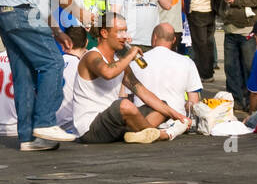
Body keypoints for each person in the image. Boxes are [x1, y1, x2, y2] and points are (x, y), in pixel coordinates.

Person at [0, 0, 104, 151]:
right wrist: (83, 15)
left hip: (4, 9)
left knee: (24, 74)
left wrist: (55, 31)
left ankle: (28, 139)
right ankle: (45, 123)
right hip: (24, 10)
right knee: (53, 63)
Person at [72, 16, 189, 144]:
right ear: (104, 33)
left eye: (126, 31)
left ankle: (139, 133)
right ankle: (161, 135)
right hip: (90, 129)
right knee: (124, 105)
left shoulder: (119, 62)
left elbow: (142, 92)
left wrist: (176, 115)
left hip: (114, 125)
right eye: (120, 32)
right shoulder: (91, 56)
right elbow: (108, 72)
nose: (125, 37)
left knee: (162, 106)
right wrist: (129, 55)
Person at [132, 22, 202, 119]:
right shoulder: (187, 62)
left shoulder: (137, 61)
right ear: (174, 40)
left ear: (154, 37)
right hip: (176, 121)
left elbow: (126, 96)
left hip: (143, 120)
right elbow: (194, 102)